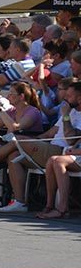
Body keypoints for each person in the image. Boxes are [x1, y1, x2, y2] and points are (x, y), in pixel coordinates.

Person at [39, 81, 81, 218]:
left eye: (69, 96)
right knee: (52, 160)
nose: (65, 99)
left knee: (58, 161)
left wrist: (66, 116)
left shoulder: (69, 112)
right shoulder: (70, 111)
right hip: (73, 152)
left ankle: (62, 208)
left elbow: (71, 139)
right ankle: (49, 205)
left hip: (74, 153)